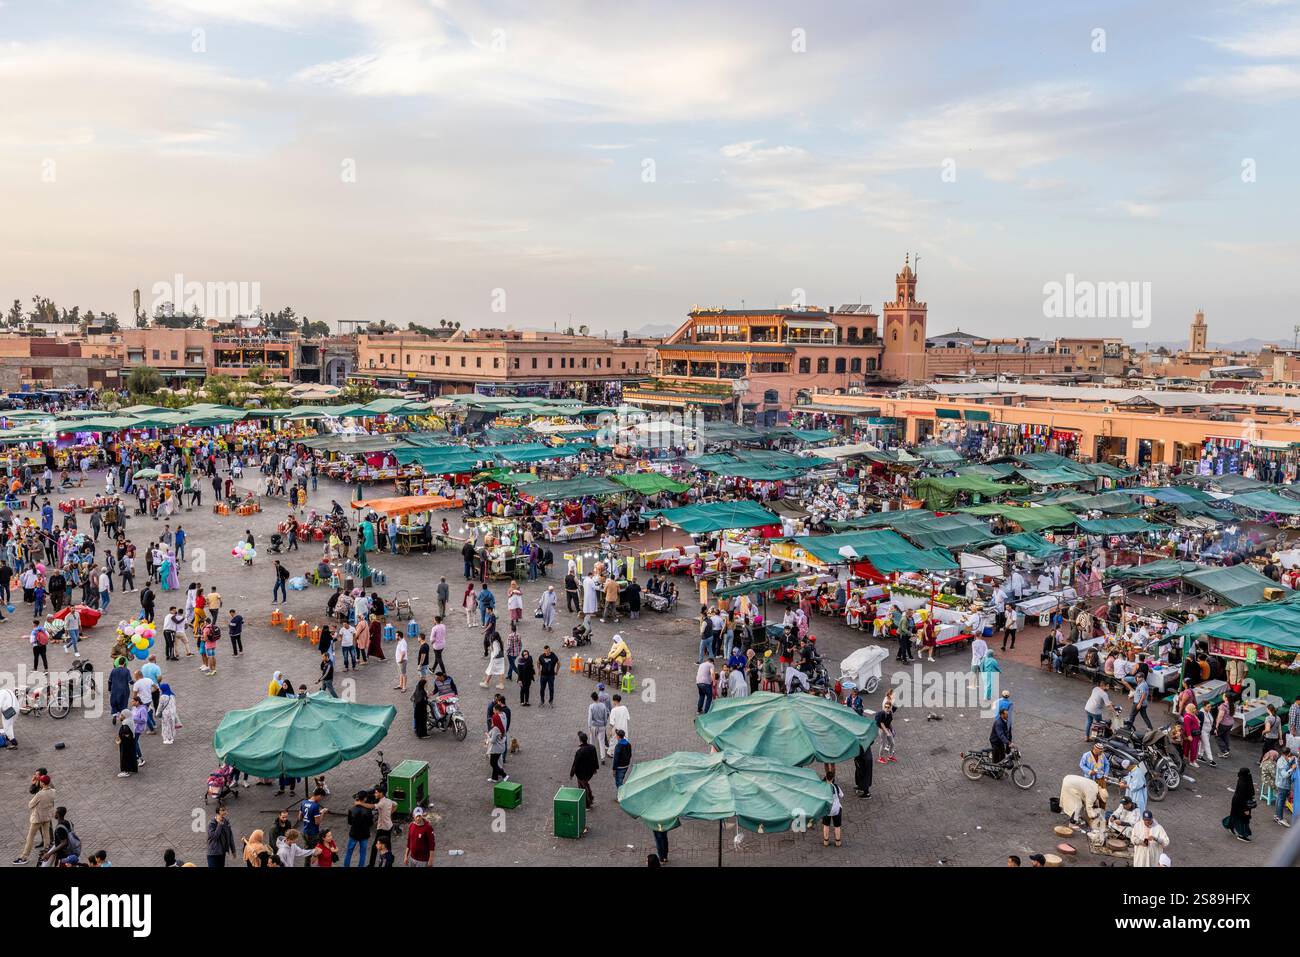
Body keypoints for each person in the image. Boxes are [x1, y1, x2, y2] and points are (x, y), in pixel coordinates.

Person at [1223, 767, 1256, 842]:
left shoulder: (1242, 779)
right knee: (1243, 819)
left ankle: (1229, 825)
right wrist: (1246, 809)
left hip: (1237, 802)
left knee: (1235, 815)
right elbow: (1242, 797)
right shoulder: (1244, 783)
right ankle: (1242, 835)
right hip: (1241, 804)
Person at [569, 731, 599, 809]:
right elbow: (595, 759)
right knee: (585, 784)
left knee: (582, 788)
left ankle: (587, 804)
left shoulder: (579, 752)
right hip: (590, 772)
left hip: (581, 774)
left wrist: (572, 774)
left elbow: (575, 764)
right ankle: (591, 797)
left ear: (580, 740)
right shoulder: (592, 747)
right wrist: (596, 768)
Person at [821, 767, 844, 848]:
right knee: (837, 826)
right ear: (833, 778)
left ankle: (826, 841)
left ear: (826, 777)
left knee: (826, 825)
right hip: (836, 809)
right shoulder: (836, 787)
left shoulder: (822, 788)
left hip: (827, 810)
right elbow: (841, 795)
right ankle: (838, 842)